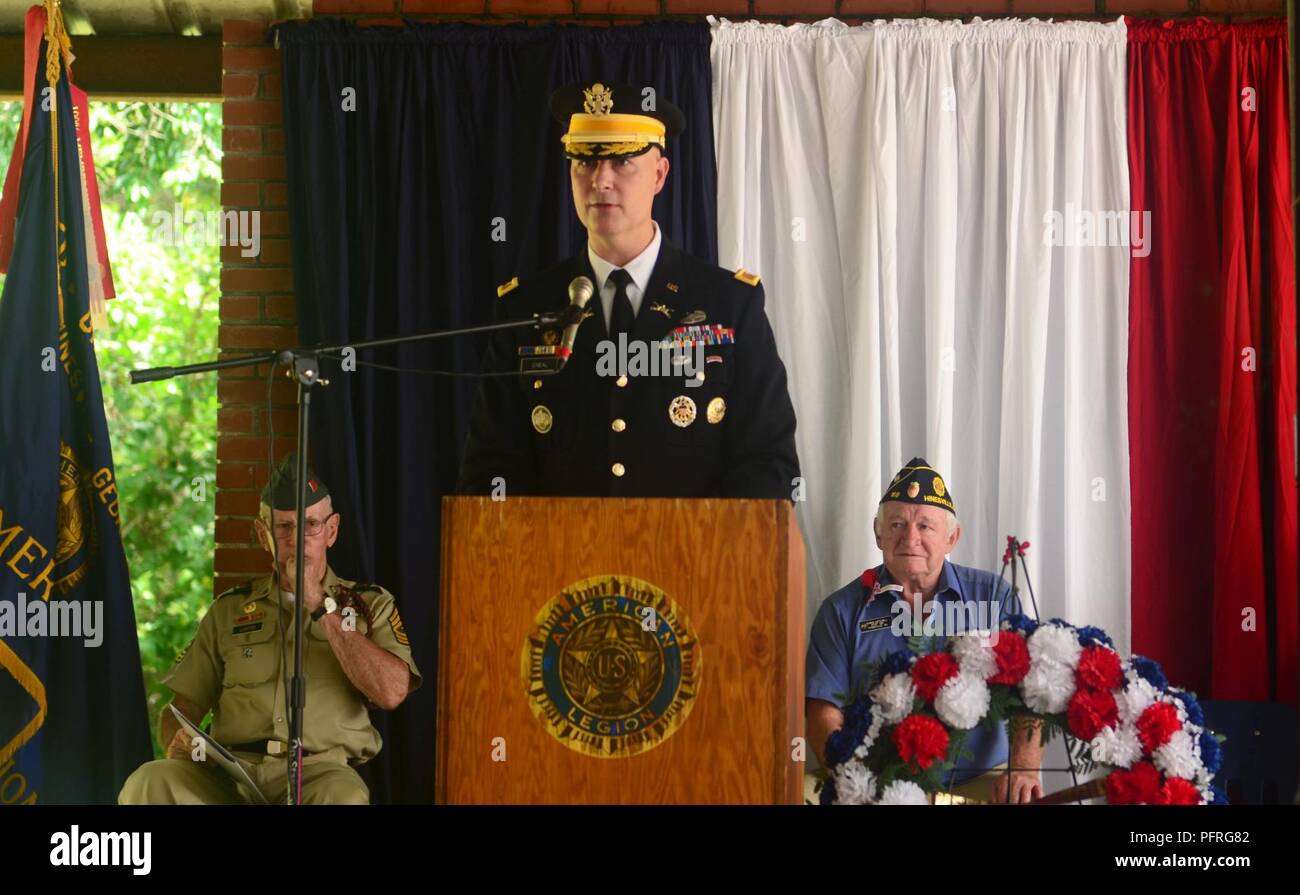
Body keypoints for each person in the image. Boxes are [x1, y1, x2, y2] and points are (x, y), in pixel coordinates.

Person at [457, 81, 799, 499]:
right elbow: (492, 467)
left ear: (659, 174)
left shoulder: (728, 303)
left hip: (691, 560)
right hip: (562, 561)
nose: (600, 180)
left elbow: (767, 463)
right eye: (583, 161)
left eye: (621, 161)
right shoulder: (527, 306)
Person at [118, 455, 420, 804]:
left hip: (318, 775)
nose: (297, 539)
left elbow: (392, 691)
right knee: (151, 780)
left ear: (332, 531)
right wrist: (180, 742)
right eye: (284, 527)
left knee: (344, 797)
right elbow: (181, 708)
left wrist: (320, 606)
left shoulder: (371, 604)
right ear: (263, 535)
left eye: (311, 525)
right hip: (231, 775)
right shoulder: (229, 610)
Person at [804, 457, 1044, 803]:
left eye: (925, 527)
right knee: (799, 793)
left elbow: (1032, 692)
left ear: (952, 537)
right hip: (877, 779)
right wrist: (853, 778)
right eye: (897, 524)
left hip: (981, 778)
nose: (910, 538)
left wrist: (1023, 769)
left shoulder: (994, 597)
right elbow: (824, 712)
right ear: (878, 533)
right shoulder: (841, 611)